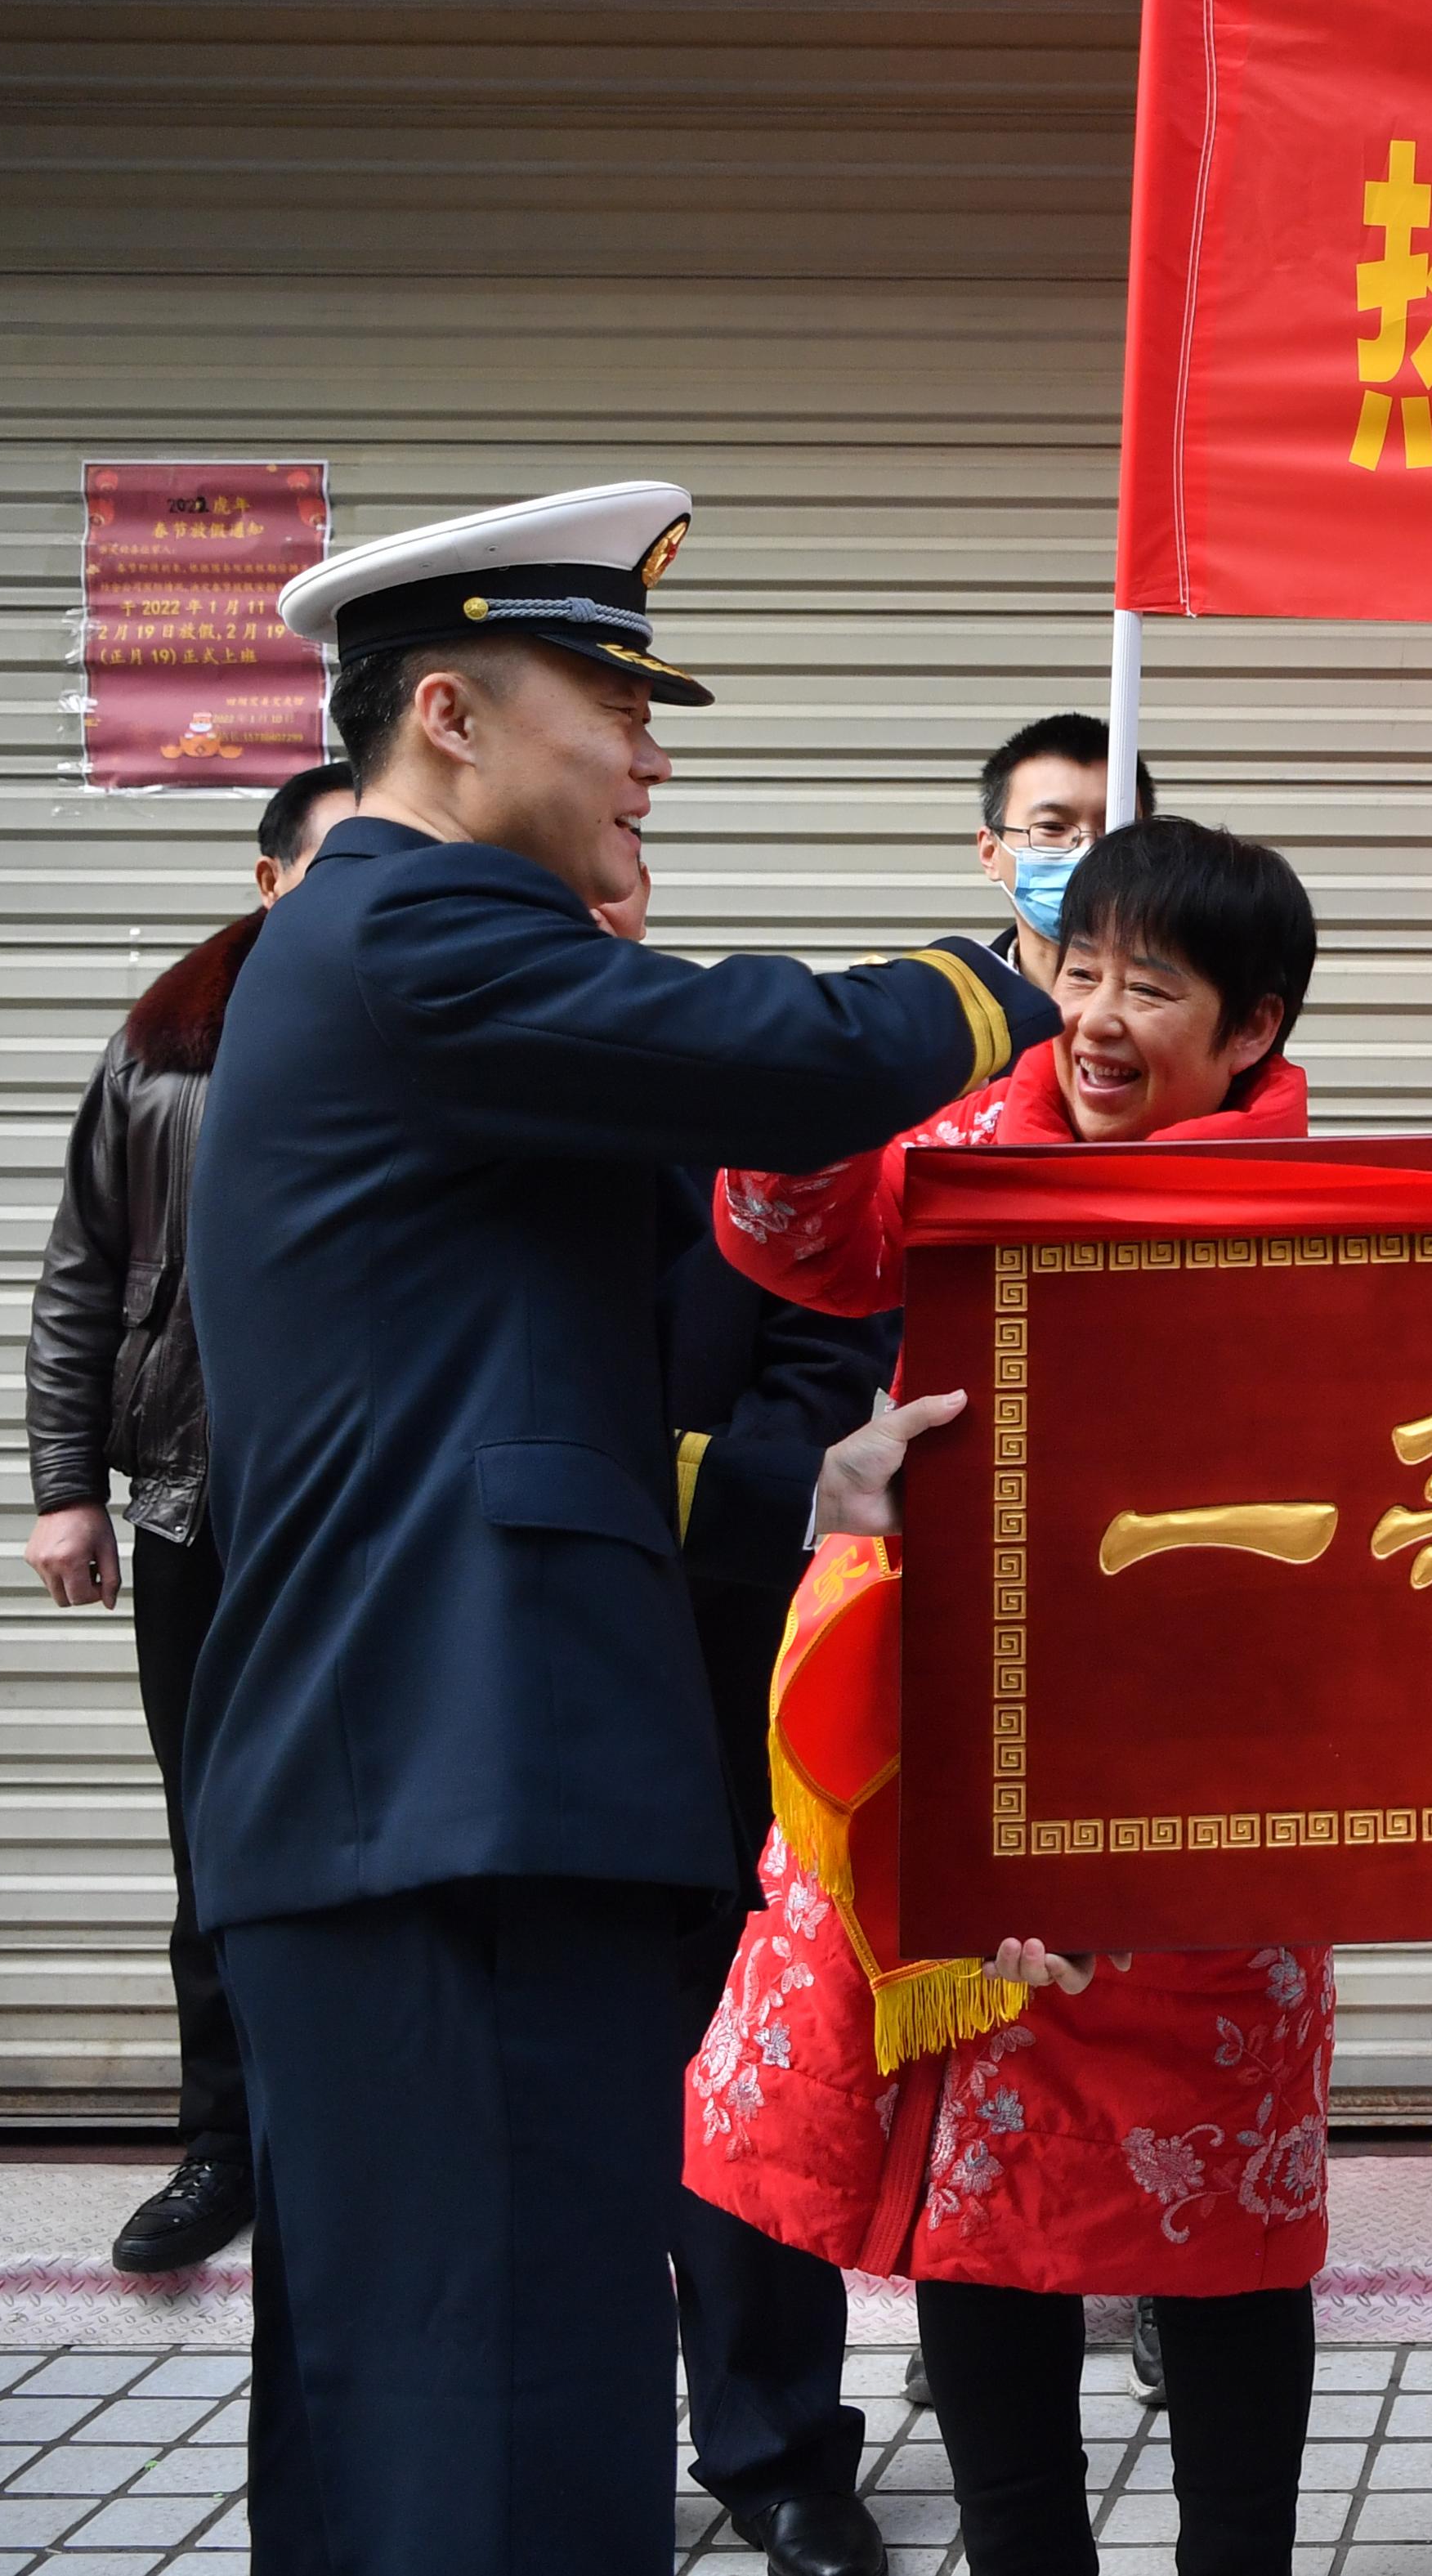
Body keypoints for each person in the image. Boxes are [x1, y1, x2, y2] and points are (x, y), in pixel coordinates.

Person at [188, 481, 1057, 2576]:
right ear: (453, 718)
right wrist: (1018, 964)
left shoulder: (387, 964)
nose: (651, 750)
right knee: (505, 2408)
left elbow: (510, 1412)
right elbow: (782, 1054)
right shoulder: (407, 924)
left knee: (395, 2397)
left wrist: (799, 1482)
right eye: (613, 699)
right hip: (451, 1797)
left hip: (413, 1802)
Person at [698, 814, 1327, 2576]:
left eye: (1155, 986)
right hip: (951, 1747)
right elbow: (783, 1228)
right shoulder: (969, 1144)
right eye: (1081, 972)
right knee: (975, 2203)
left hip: (1195, 1780)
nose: (1103, 1017)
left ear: (1250, 1031)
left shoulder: (1312, 1216)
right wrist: (882, 1043)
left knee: (1219, 2223)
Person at [585, 864, 906, 2576]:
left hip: (716, 1657)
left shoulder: (742, 1116)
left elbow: (822, 1354)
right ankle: (567, 2446)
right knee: (551, 2080)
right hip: (502, 1673)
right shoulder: (427, 1112)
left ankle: (778, 2447)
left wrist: (676, 1499)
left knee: (746, 2049)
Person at [25, 758, 354, 2274]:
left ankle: (359, 2128)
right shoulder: (165, 1048)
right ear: (271, 877)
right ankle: (225, 2140)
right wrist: (65, 1486)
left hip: (372, 1510)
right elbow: (85, 1272)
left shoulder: (430, 1034)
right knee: (212, 1833)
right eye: (337, 862)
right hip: (195, 1501)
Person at [975, 710, 1156, 992]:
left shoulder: (1200, 1015)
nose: (1088, 854)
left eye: (1115, 829)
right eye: (1052, 827)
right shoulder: (944, 1014)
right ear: (991, 852)